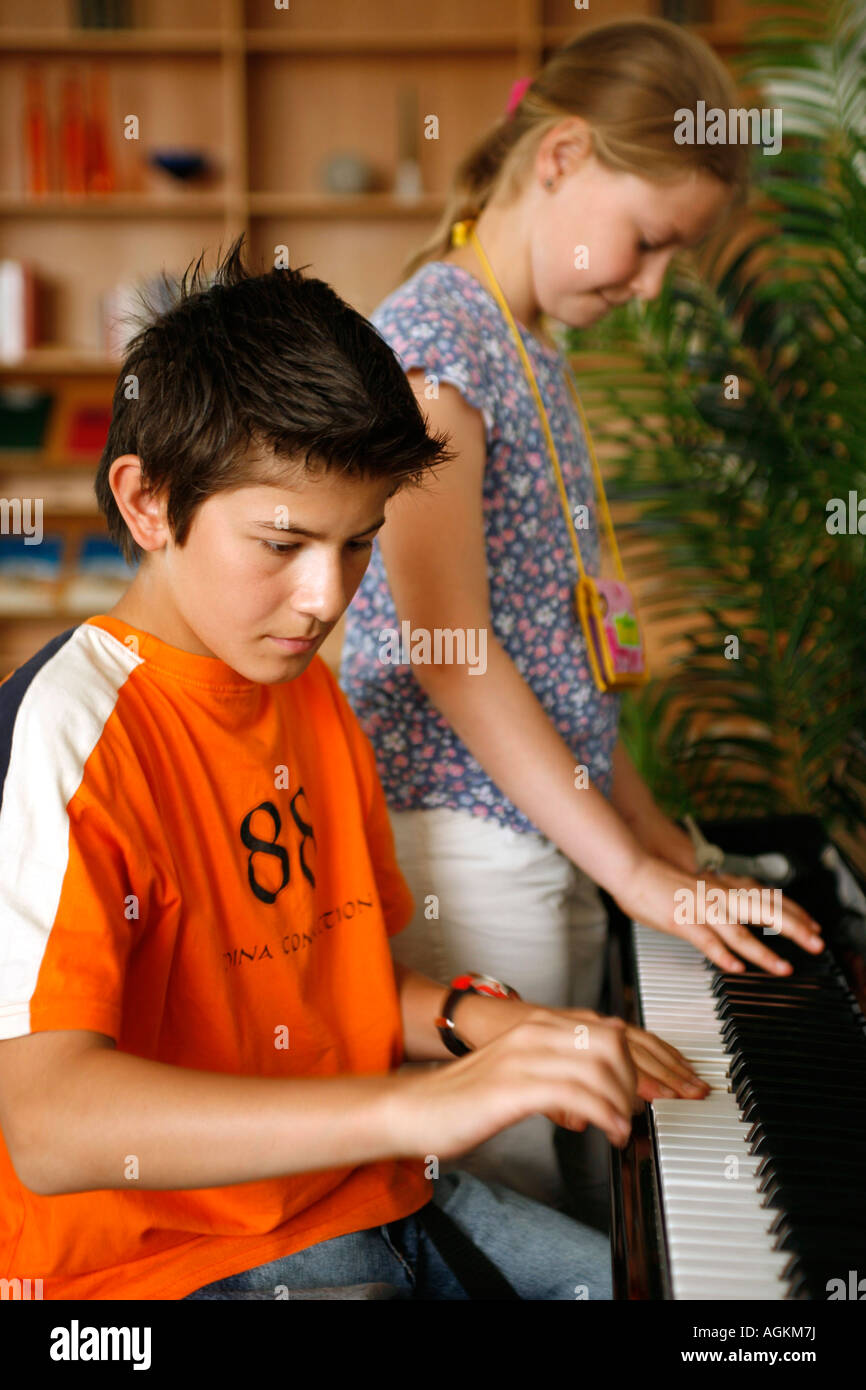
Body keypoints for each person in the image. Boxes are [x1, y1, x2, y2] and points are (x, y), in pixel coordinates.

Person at [0, 241, 709, 1302]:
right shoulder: (69, 730)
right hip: (173, 1267)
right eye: (281, 543)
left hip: (375, 1195)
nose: (326, 597)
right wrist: (415, 1107)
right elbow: (50, 1123)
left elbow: (334, 987)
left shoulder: (309, 695)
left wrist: (485, 1021)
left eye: (359, 545)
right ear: (147, 504)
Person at [339, 18, 823, 1216]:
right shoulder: (434, 348)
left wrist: (673, 854)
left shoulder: (526, 349)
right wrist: (639, 880)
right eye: (647, 242)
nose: (648, 284)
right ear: (560, 156)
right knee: (512, 1198)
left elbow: (565, 669)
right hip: (457, 840)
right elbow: (448, 651)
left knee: (570, 1178)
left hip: (536, 829)